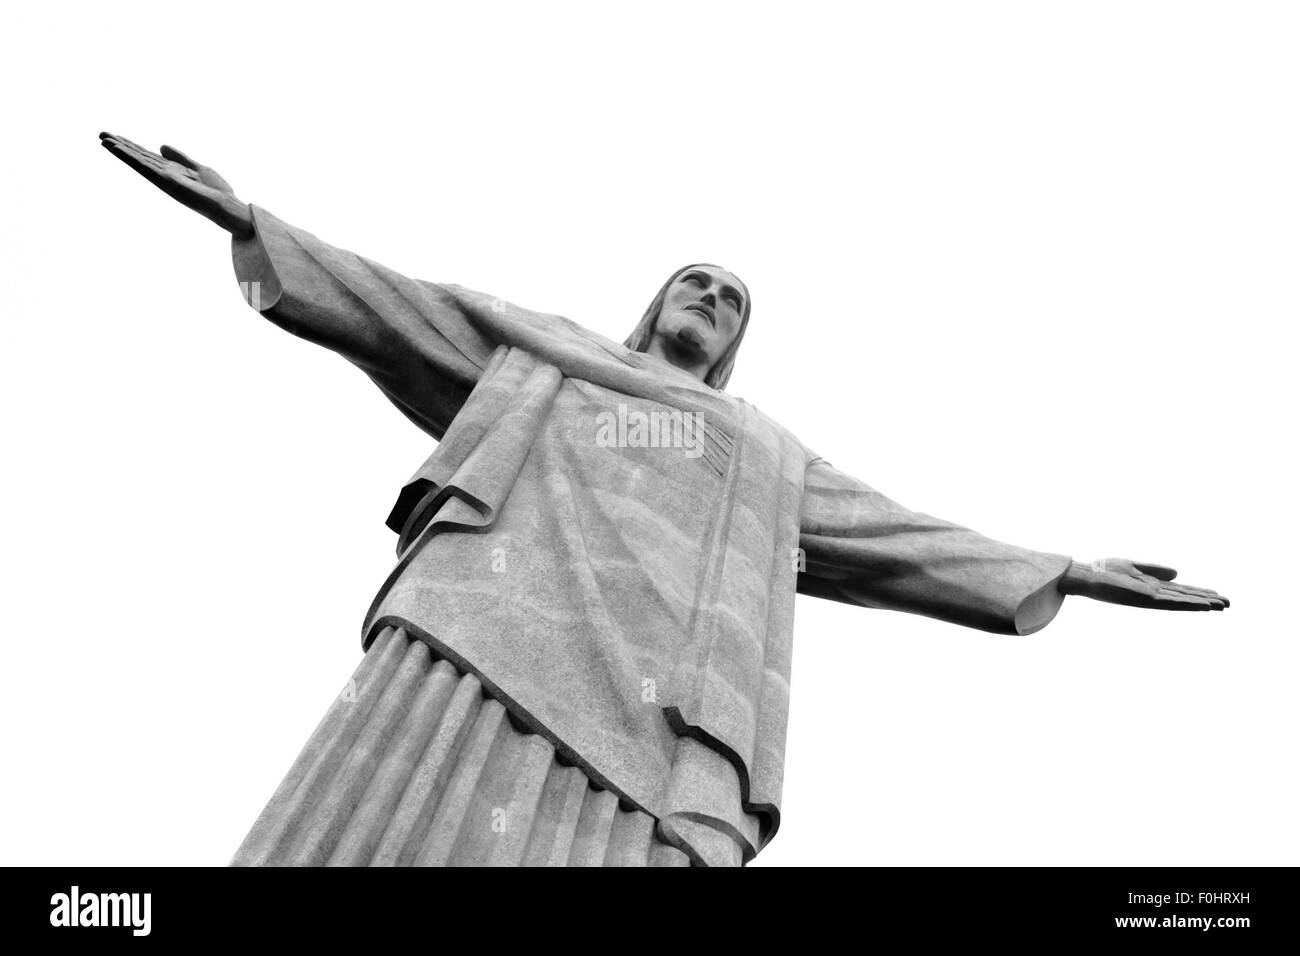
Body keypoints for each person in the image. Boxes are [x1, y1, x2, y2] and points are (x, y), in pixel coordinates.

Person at [99, 132, 1230, 867]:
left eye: (733, 301)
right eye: (697, 281)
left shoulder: (760, 452)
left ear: (736, 345)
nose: (711, 299)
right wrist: (252, 227)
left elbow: (894, 535)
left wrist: (1062, 568)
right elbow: (399, 306)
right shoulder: (541, 348)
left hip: (660, 713)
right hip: (478, 625)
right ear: (652, 302)